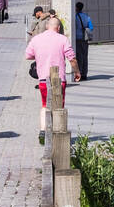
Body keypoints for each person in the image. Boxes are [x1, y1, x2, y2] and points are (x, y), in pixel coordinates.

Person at [25, 16, 80, 145]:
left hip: (43, 79)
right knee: (59, 105)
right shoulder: (63, 39)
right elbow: (72, 58)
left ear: (46, 26)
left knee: (45, 105)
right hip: (59, 79)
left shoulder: (36, 39)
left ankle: (43, 131)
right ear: (58, 28)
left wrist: (39, 54)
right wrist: (77, 71)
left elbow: (28, 55)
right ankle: (57, 133)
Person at [73, 2, 94, 81]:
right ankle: (85, 74)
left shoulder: (75, 17)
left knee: (79, 57)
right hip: (85, 39)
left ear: (76, 8)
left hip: (77, 39)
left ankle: (80, 73)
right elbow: (91, 27)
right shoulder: (87, 17)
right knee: (85, 56)